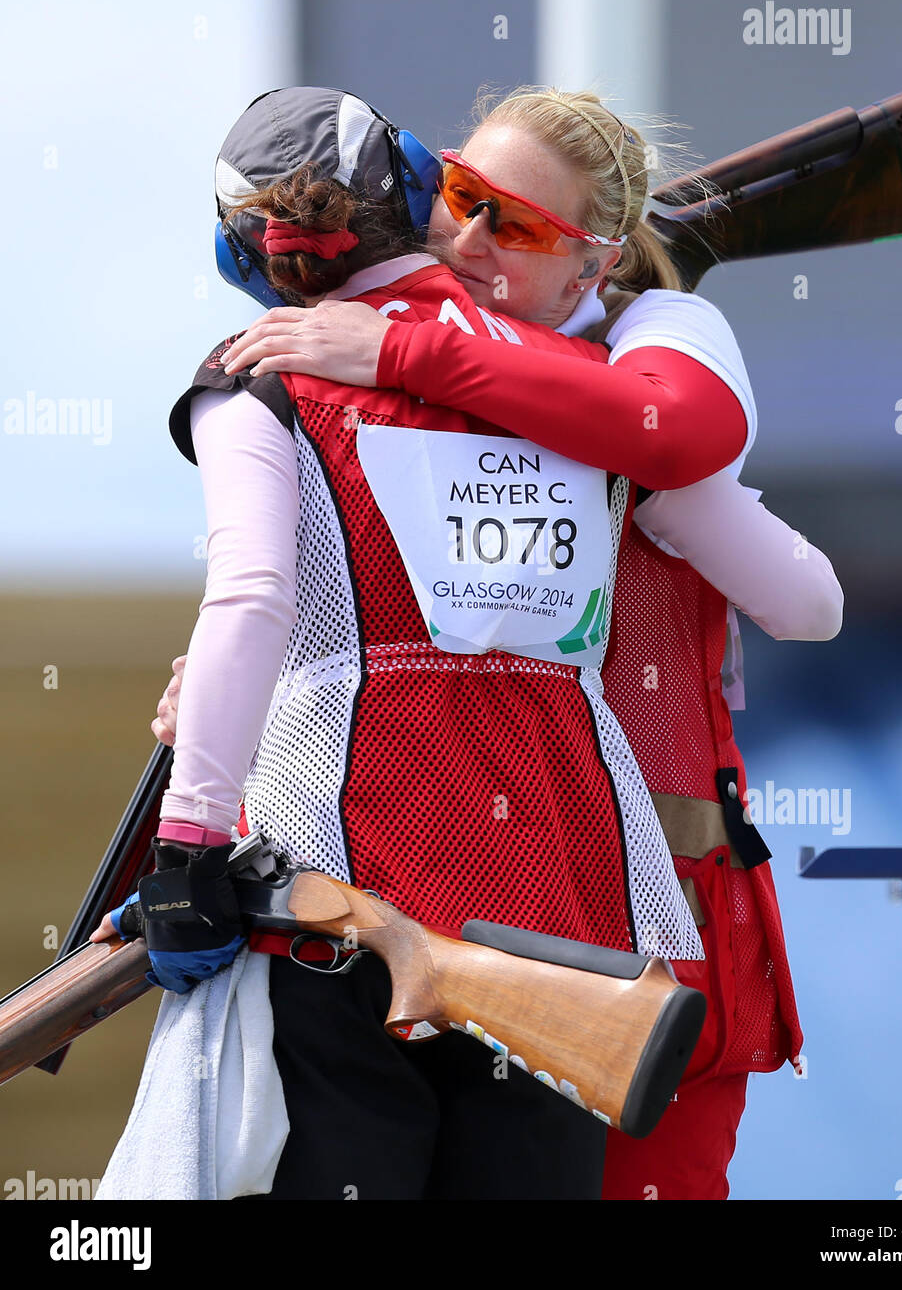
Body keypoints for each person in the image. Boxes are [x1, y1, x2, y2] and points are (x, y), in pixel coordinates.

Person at [90, 84, 768, 1201]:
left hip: (347, 879)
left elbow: (254, 600)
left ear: (240, 252)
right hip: (567, 894)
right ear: (414, 197)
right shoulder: (574, 379)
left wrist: (190, 849)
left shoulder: (267, 372)